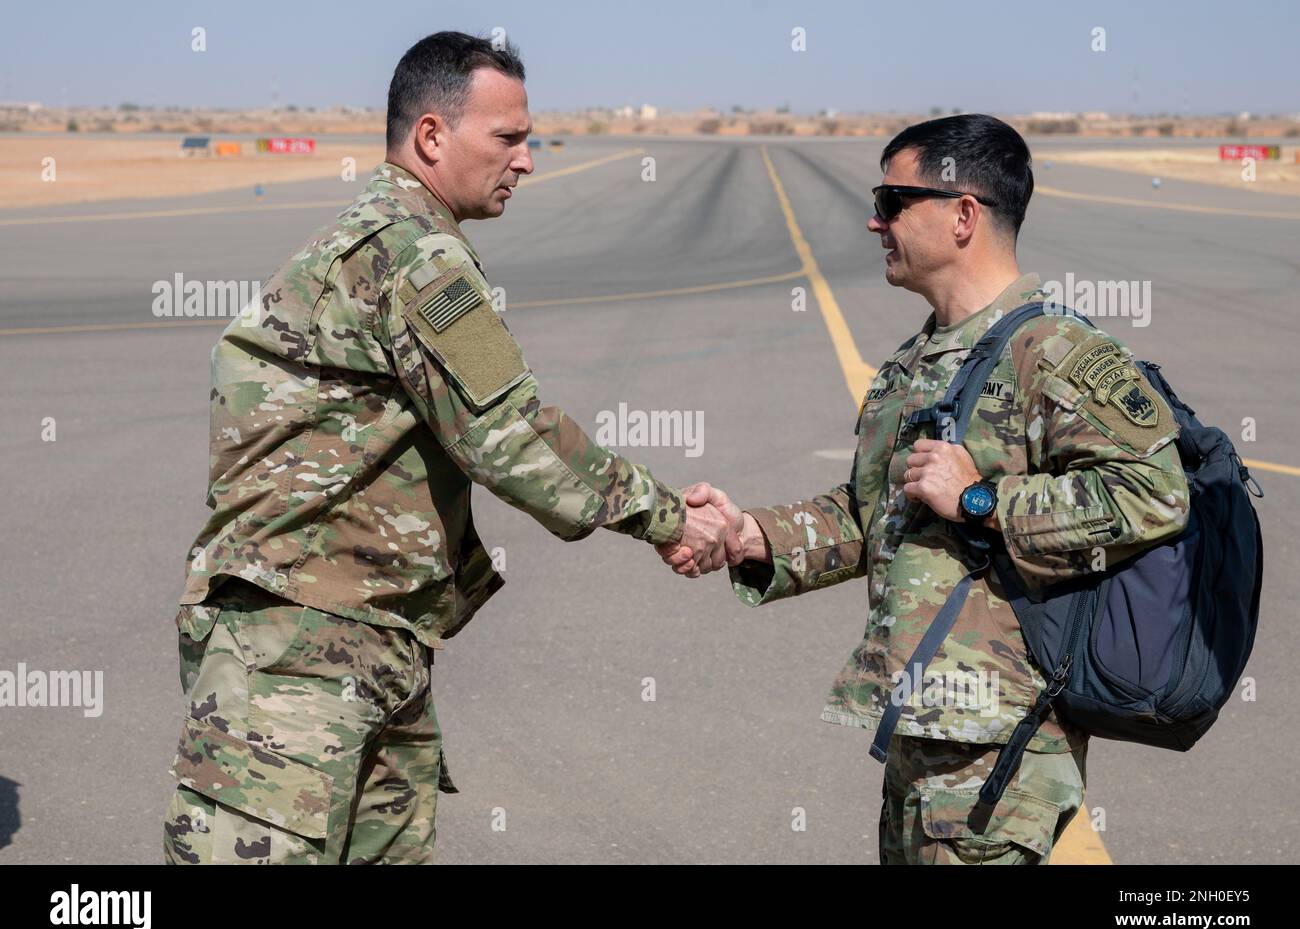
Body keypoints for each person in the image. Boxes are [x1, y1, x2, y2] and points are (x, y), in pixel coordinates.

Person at [162, 31, 734, 865]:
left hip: (367, 639)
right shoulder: (414, 254)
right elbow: (511, 436)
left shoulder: (389, 239)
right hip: (299, 653)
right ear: (432, 136)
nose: (527, 161)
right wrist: (669, 518)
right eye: (508, 138)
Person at [660, 114, 1190, 864]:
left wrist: (984, 501)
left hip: (1000, 750)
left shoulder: (1060, 353)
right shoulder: (914, 362)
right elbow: (876, 513)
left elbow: (1155, 494)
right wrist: (750, 535)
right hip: (921, 735)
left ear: (963, 214)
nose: (875, 220)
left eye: (893, 199)